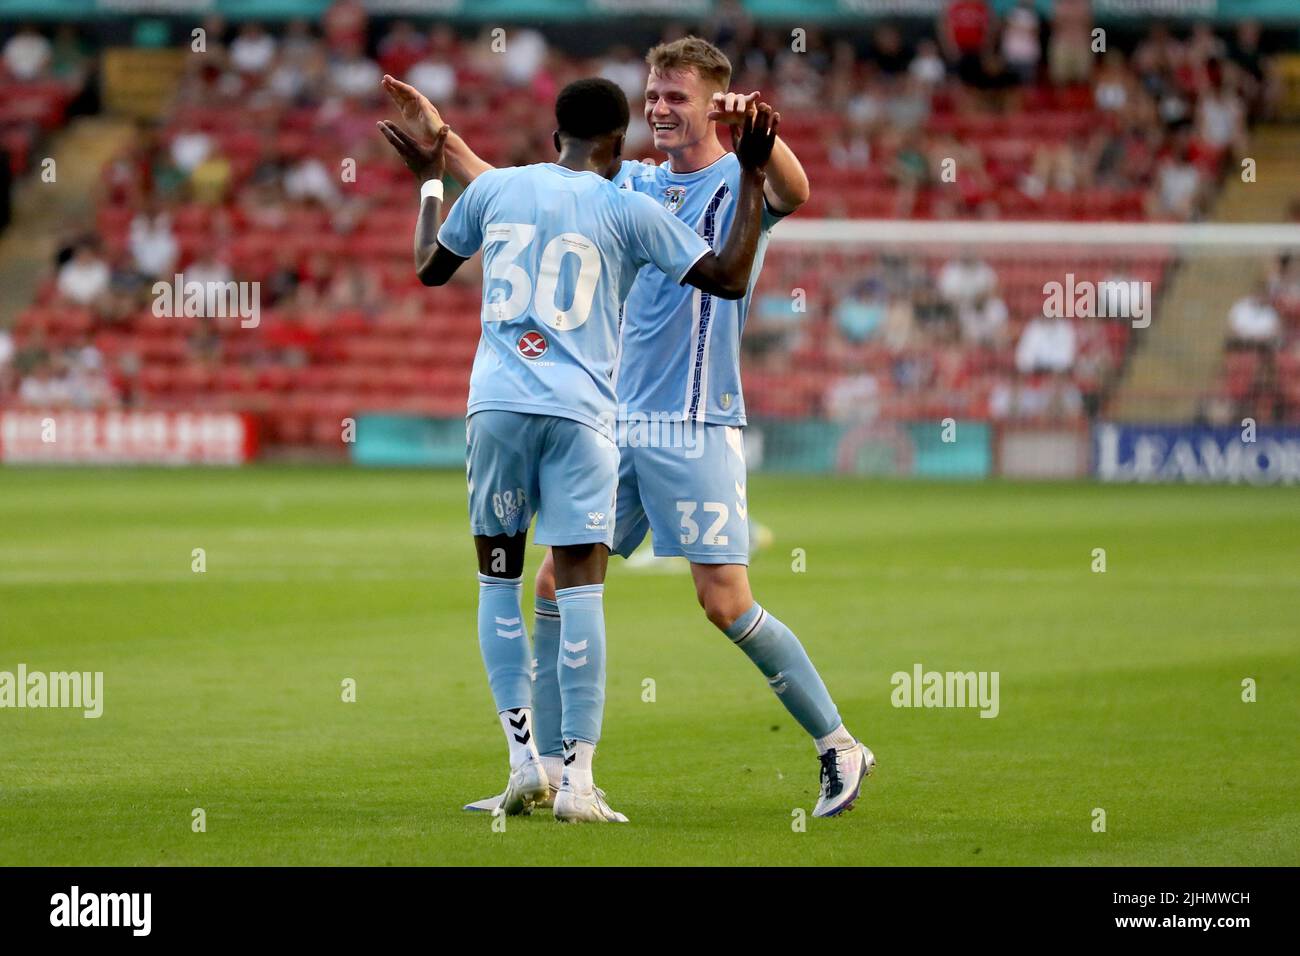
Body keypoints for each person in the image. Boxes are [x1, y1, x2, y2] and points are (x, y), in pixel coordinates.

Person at [387, 35, 874, 819]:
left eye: (676, 97)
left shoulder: (738, 178)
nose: (658, 110)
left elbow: (798, 188)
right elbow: (516, 194)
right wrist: (444, 145)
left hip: (693, 422)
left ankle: (839, 745)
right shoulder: (632, 181)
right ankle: (551, 772)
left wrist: (761, 135)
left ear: (714, 102)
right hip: (610, 420)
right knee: (552, 583)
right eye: (652, 96)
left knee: (723, 602)